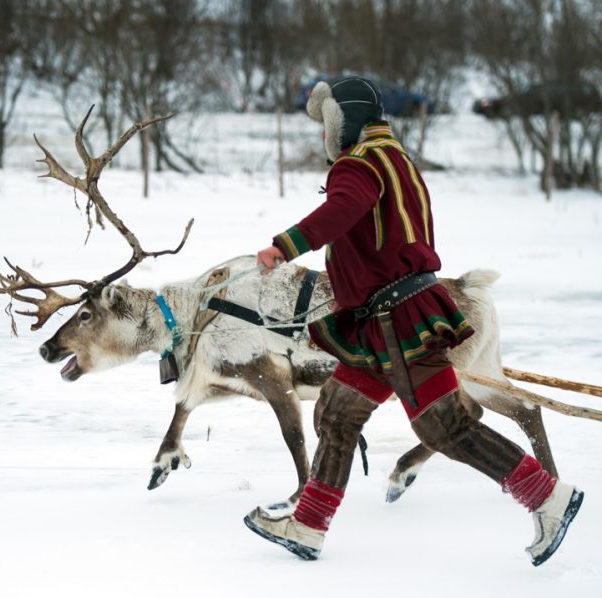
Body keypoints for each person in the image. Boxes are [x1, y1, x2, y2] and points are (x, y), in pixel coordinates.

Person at [243, 75, 583, 566]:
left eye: (326, 126)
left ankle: (547, 497)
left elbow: (342, 210)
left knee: (445, 429)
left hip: (395, 322)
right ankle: (309, 525)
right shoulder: (397, 159)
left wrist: (285, 245)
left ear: (345, 122)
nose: (322, 138)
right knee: (337, 416)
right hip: (381, 322)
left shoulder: (357, 166)